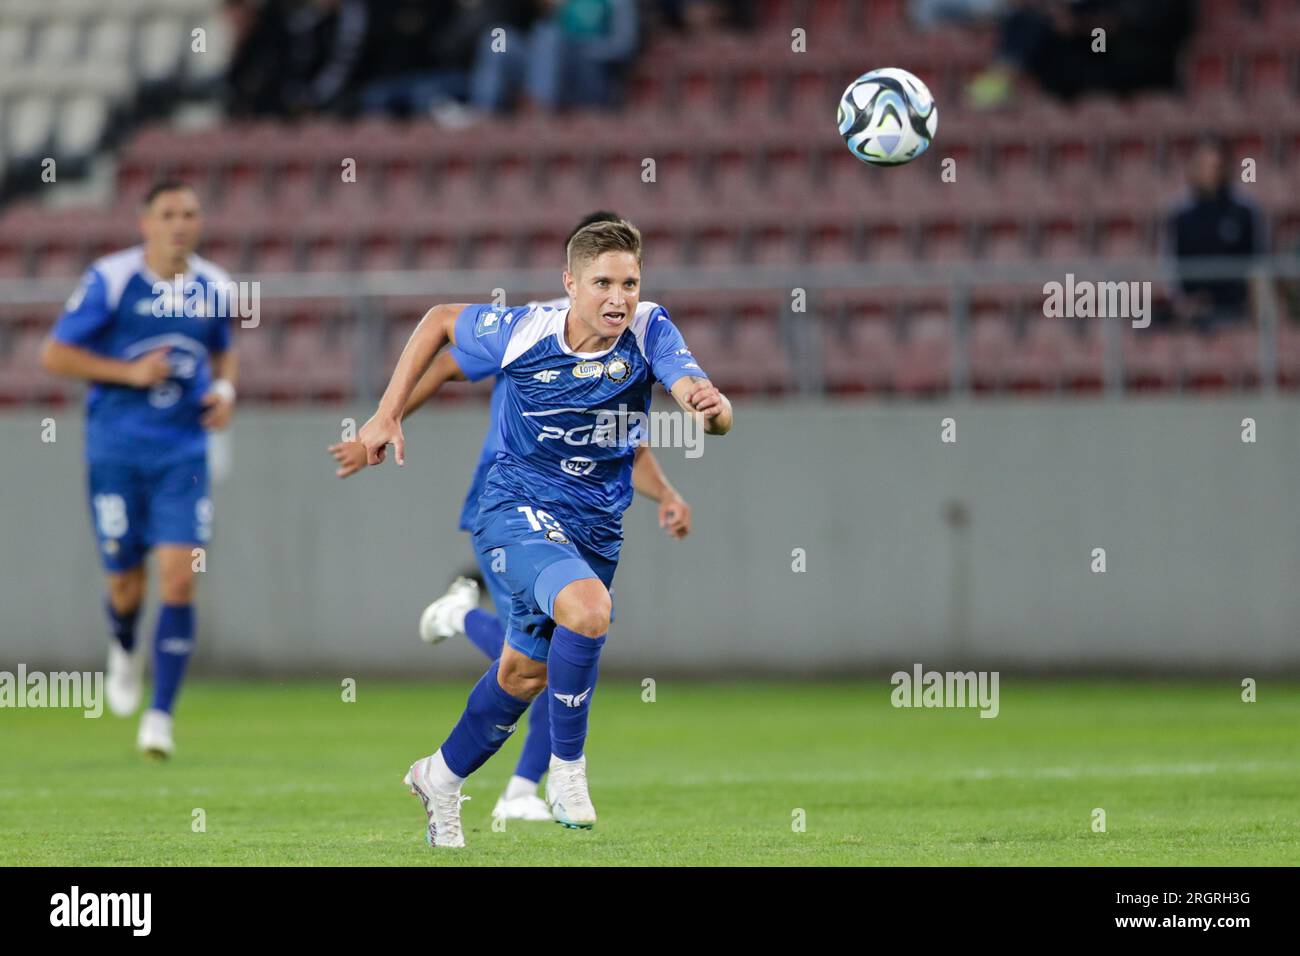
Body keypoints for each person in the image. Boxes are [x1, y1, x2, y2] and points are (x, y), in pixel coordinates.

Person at [355, 219, 731, 846]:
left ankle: (439, 776)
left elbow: (702, 401)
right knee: (589, 610)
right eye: (603, 283)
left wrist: (708, 406)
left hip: (596, 525)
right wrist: (386, 412)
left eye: (630, 282)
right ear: (571, 284)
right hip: (513, 505)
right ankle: (566, 771)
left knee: (523, 675)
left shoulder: (650, 327)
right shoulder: (524, 330)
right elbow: (442, 321)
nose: (619, 298)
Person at [40, 180, 239, 758]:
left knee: (179, 576)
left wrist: (225, 388)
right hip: (117, 451)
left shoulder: (216, 286)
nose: (180, 223)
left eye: (190, 213)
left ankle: (160, 717)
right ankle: (124, 646)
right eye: (168, 214)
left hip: (183, 452)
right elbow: (54, 353)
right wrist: (127, 374)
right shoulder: (112, 279)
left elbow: (223, 348)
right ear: (144, 223)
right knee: (126, 581)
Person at [1168, 136, 1265, 333]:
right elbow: (1171, 269)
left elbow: (1258, 265)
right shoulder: (1179, 215)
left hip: (1236, 310)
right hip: (1193, 312)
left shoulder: (1244, 211)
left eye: (1215, 165)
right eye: (1204, 165)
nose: (1210, 172)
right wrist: (1186, 301)